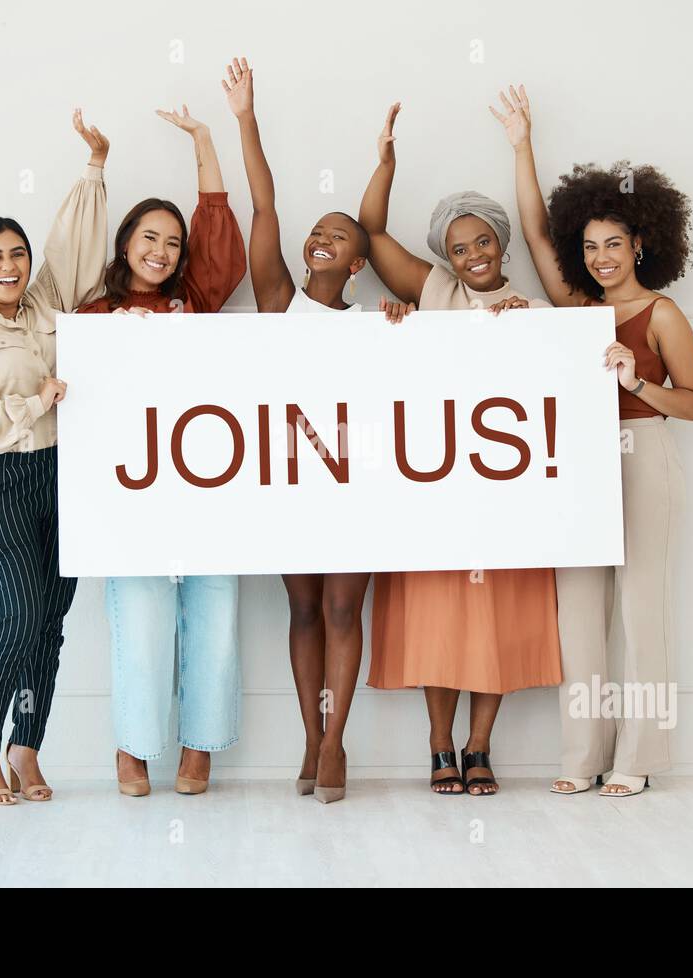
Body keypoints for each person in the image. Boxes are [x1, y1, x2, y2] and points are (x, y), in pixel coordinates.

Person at [491, 84, 693, 797]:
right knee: (579, 612)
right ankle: (583, 754)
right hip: (580, 464)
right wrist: (523, 144)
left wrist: (638, 382)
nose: (603, 256)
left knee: (643, 609)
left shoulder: (661, 314)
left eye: (615, 243)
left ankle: (639, 758)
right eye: (591, 246)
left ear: (642, 242)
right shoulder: (576, 308)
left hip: (644, 455)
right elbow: (533, 232)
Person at [359, 102, 563, 796]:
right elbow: (373, 231)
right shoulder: (434, 293)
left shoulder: (535, 315)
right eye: (458, 247)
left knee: (495, 624)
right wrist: (386, 160)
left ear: (501, 247)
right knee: (439, 619)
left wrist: (525, 335)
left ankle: (480, 748)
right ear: (444, 257)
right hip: (436, 497)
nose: (473, 255)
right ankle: (439, 745)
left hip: (505, 502)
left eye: (483, 244)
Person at [221, 57, 410, 804]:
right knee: (303, 609)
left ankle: (337, 746)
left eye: (339, 234)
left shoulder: (377, 323)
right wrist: (246, 119)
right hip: (288, 481)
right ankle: (310, 739)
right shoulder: (276, 300)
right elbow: (263, 209)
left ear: (359, 262)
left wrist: (401, 321)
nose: (320, 237)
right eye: (317, 232)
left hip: (353, 482)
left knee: (342, 609)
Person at [0, 110, 109, 804]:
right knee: (20, 610)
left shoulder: (45, 306)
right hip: (2, 483)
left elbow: (73, 246)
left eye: (17, 254)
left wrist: (95, 166)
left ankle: (26, 748)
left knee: (52, 620)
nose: (10, 266)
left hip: (62, 479)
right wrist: (35, 404)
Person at [77, 103, 247, 797]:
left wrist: (207, 138)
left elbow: (217, 231)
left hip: (205, 482)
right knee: (140, 620)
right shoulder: (91, 317)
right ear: (125, 244)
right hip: (132, 490)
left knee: (215, 611)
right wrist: (95, 160)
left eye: (172, 244)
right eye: (150, 238)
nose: (163, 251)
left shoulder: (195, 304)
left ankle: (198, 748)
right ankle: (134, 749)